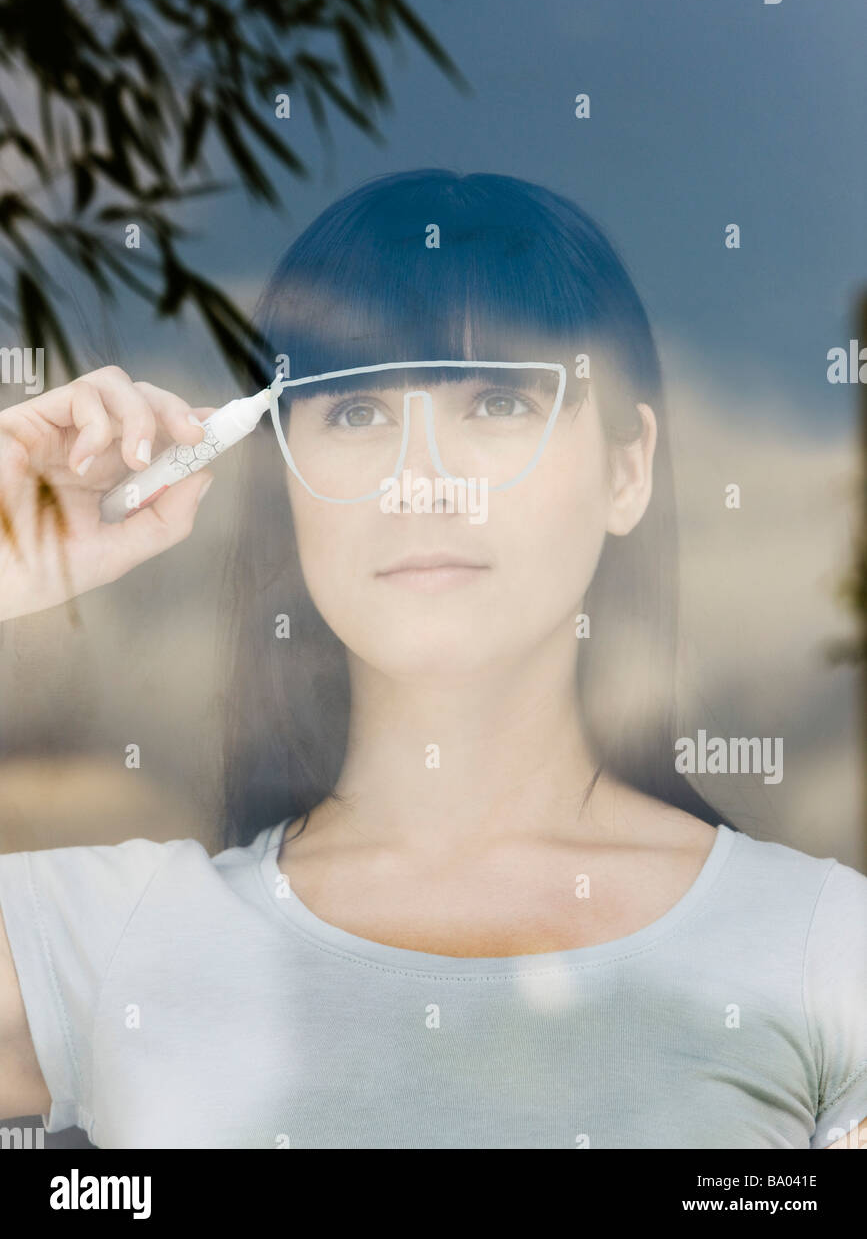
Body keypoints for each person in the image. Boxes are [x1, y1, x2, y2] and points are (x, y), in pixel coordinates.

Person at [0, 169, 865, 1149]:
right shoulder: (110, 937)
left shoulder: (829, 947)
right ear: (286, 480)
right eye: (356, 412)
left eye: (498, 400)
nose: (422, 480)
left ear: (627, 469)